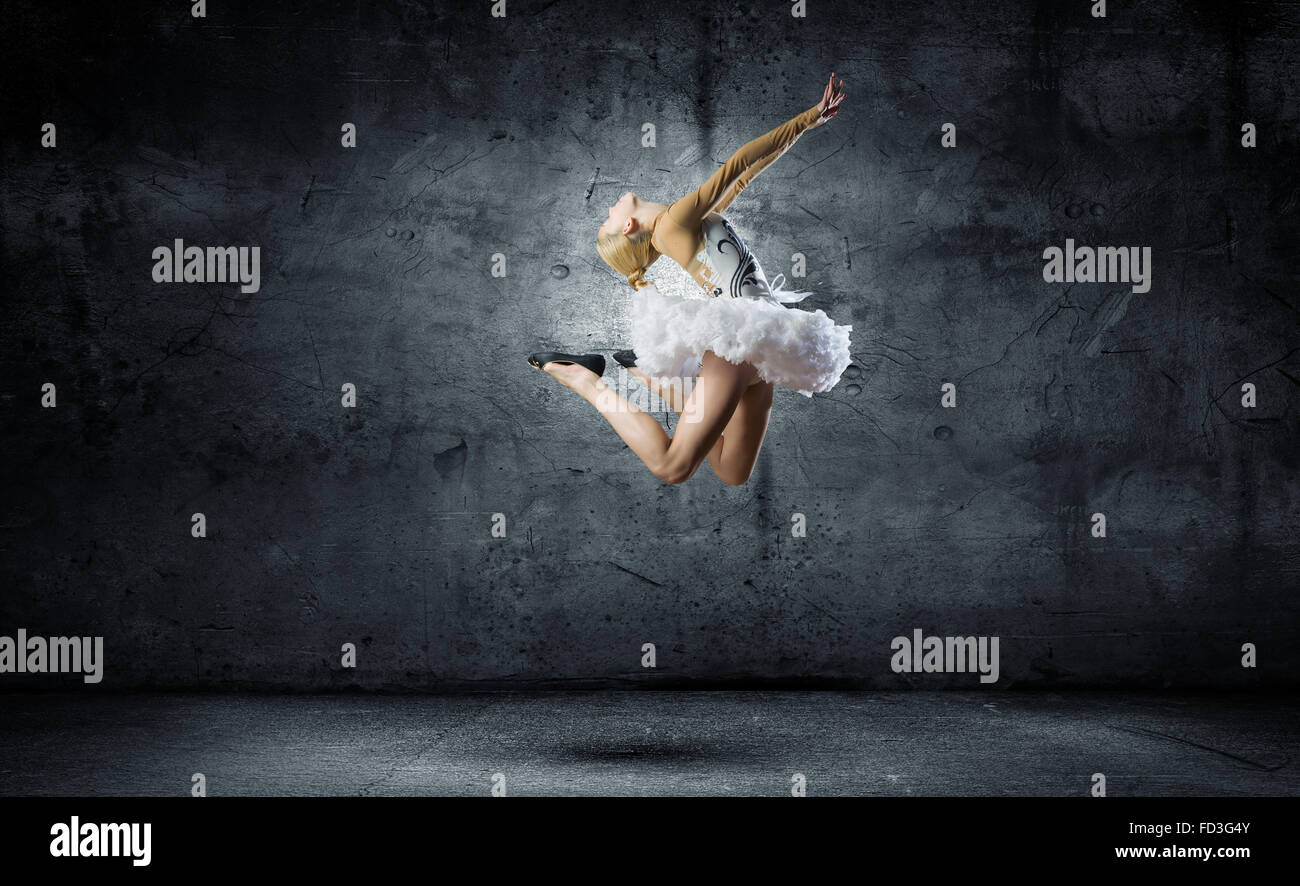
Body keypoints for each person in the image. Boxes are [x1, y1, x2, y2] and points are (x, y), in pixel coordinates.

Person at [529, 73, 851, 486]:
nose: (607, 206)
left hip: (763, 338)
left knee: (732, 472)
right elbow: (737, 161)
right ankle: (583, 379)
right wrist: (806, 116)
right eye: (606, 219)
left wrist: (807, 127)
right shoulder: (672, 222)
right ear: (628, 226)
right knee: (672, 467)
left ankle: (648, 375)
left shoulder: (686, 223)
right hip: (739, 342)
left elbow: (747, 173)